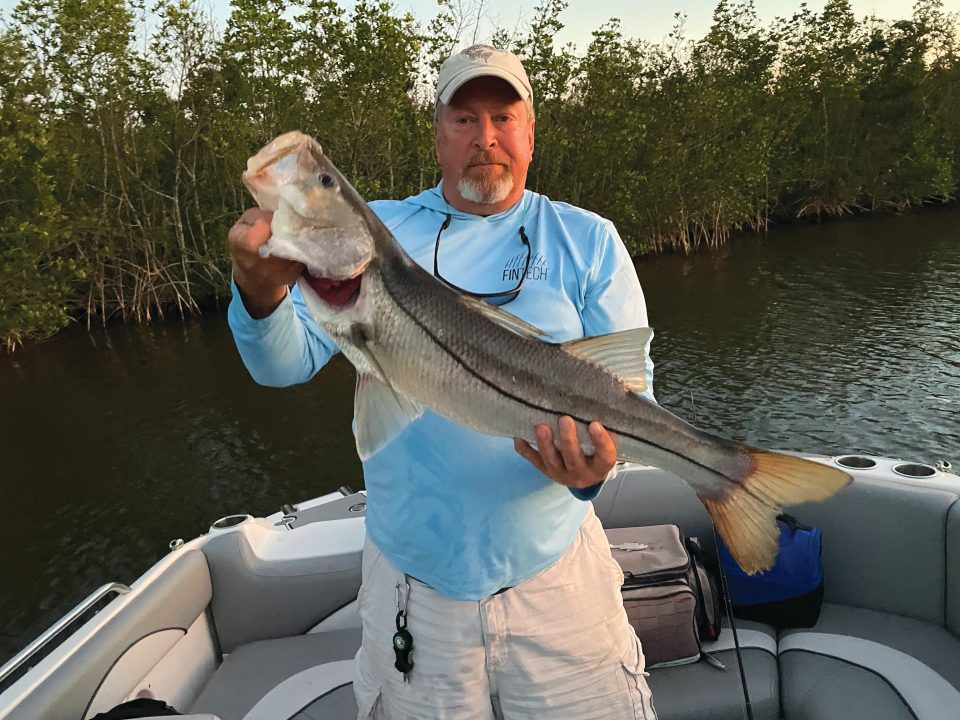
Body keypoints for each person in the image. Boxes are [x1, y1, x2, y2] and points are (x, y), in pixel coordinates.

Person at [227, 44, 657, 720]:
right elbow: (281, 366)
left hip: (557, 584)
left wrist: (594, 469)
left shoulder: (588, 240)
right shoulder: (387, 229)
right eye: (463, 119)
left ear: (530, 133)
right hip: (413, 592)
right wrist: (257, 294)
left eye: (503, 117)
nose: (485, 138)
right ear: (437, 136)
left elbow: (634, 408)